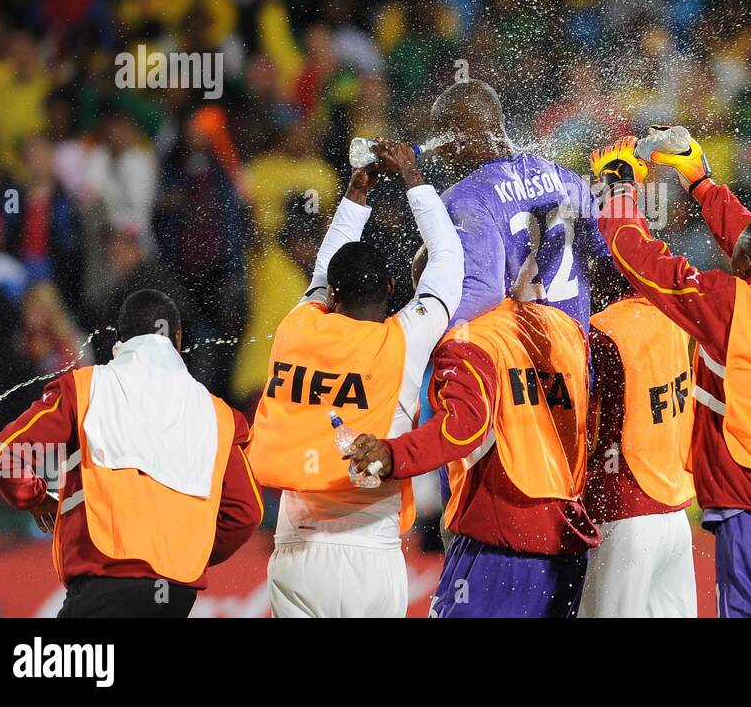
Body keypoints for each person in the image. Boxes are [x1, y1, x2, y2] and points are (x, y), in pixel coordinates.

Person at [587, 128, 751, 618]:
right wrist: (701, 181)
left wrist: (618, 193)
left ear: (742, 263)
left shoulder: (733, 306)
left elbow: (647, 265)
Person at [248, 141, 462, 618]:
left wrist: (357, 190)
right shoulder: (403, 341)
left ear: (332, 294)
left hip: (296, 551)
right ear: (391, 288)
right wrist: (412, 177)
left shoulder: (296, 325)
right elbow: (448, 263)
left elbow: (325, 269)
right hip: (372, 550)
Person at [0, 289, 263, 617]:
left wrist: (33, 499)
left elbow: (3, 457)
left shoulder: (85, 389)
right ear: (178, 338)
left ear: (119, 339)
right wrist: (191, 548)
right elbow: (247, 512)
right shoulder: (221, 416)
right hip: (176, 594)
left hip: (105, 581)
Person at [347, 296, 599, 618]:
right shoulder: (567, 328)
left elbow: (463, 428)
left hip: (500, 540)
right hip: (565, 539)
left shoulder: (472, 338)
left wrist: (392, 454)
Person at [424, 78, 611, 331]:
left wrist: (416, 328)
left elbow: (482, 292)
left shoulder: (464, 197)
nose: (439, 152)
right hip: (576, 358)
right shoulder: (565, 177)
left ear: (456, 135)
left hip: (517, 364)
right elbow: (610, 256)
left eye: (438, 138)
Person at [579, 285, 697, 618]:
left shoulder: (602, 329)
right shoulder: (673, 315)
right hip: (674, 514)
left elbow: (582, 421)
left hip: (623, 509)